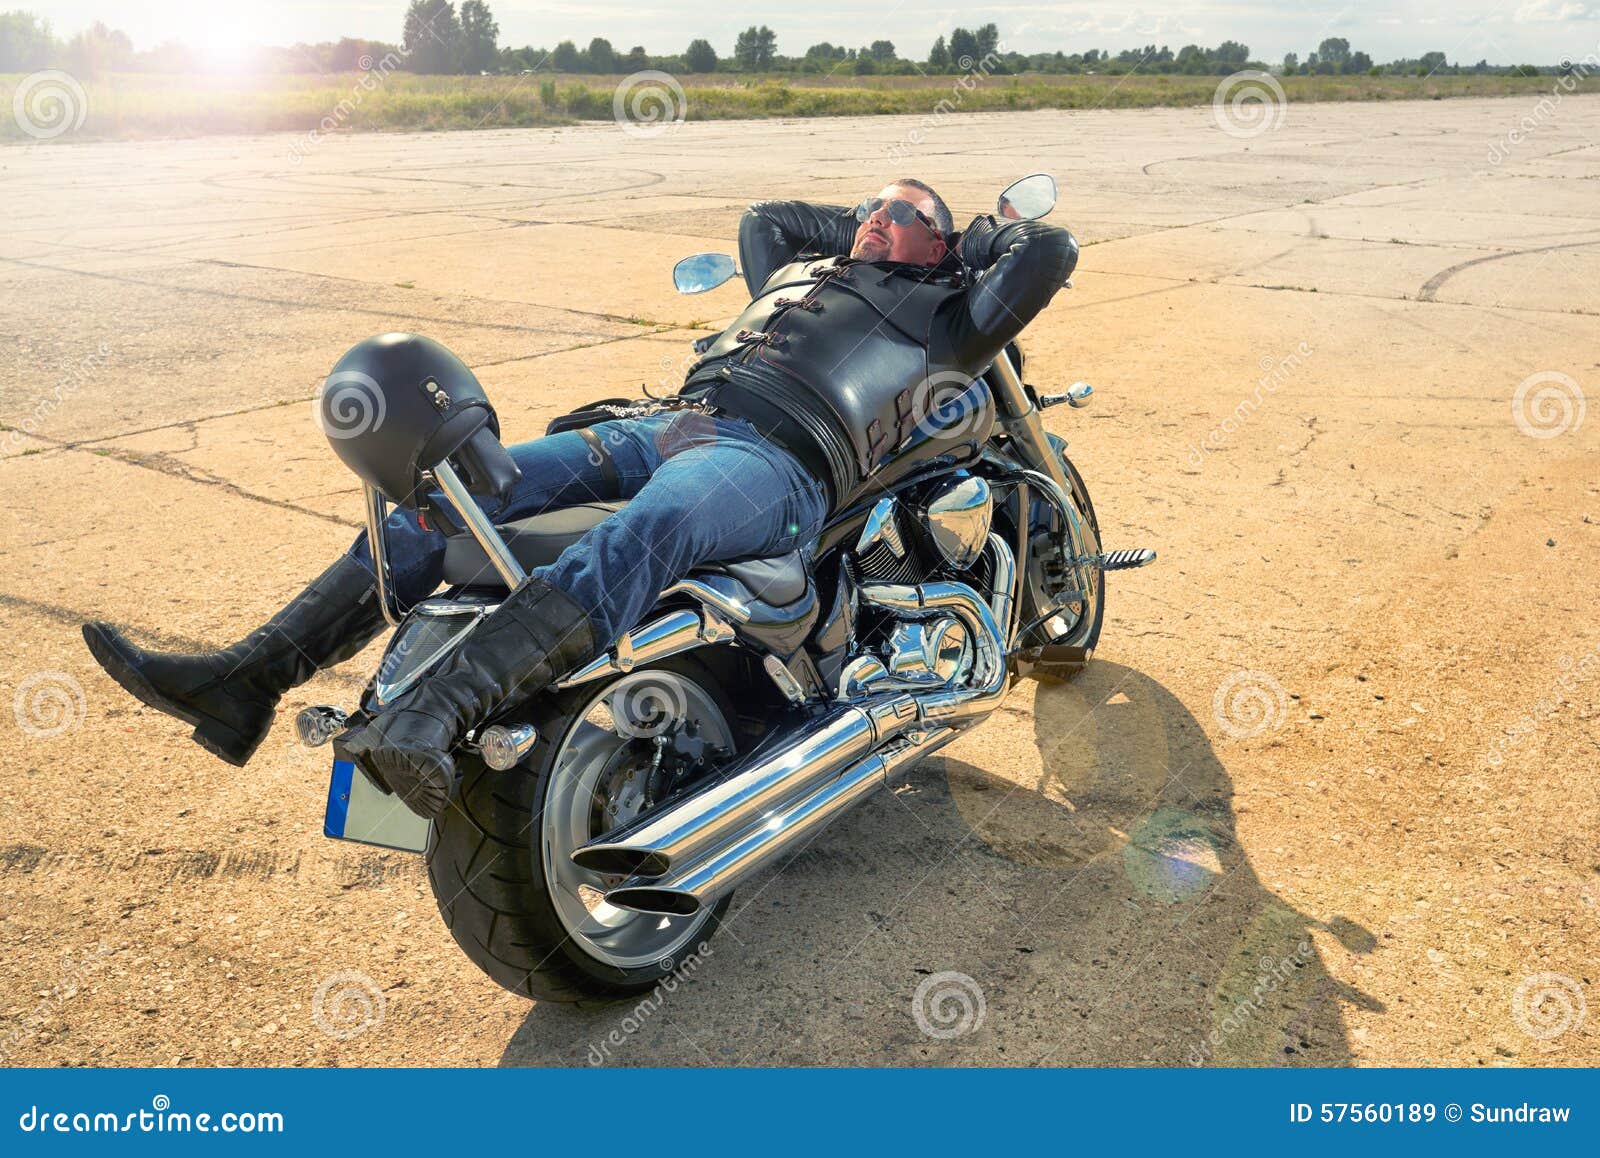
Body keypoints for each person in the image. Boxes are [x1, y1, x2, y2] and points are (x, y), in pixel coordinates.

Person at [83, 178, 1077, 819]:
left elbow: (1047, 254)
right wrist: (873, 226)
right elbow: (763, 219)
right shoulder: (805, 274)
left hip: (779, 463)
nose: (870, 214)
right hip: (677, 421)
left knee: (649, 531)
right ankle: (244, 682)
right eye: (867, 204)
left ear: (941, 249)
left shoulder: (953, 319)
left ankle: (431, 714)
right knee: (453, 499)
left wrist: (965, 238)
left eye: (897, 212)